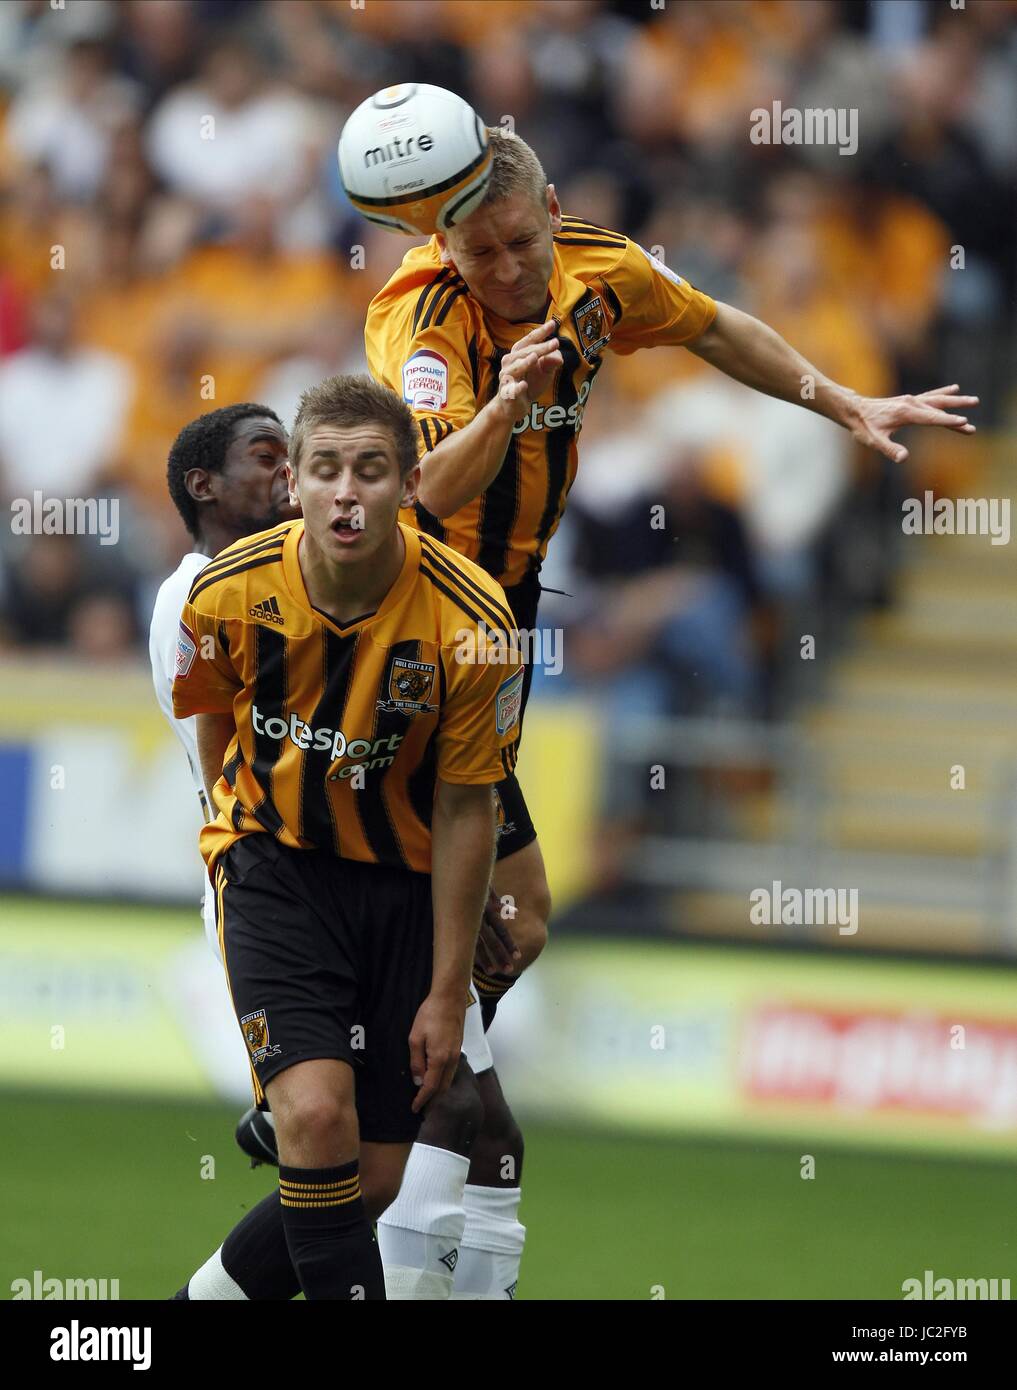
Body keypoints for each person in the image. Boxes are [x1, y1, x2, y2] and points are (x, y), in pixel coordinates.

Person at [363, 124, 979, 1284]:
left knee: (525, 913)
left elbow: (712, 327)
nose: (506, 270)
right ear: (442, 243)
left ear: (553, 204)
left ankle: (383, 1054)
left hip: (506, 615)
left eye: (519, 241)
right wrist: (504, 403)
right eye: (479, 251)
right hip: (422, 612)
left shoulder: (599, 266)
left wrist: (838, 398)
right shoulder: (420, 318)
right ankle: (368, 1061)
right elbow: (415, 495)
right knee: (441, 903)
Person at [169, 375, 522, 1301]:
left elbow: (466, 806)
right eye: (323, 469)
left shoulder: (475, 622)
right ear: (295, 483)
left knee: (374, 1175)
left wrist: (448, 996)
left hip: (400, 888)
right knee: (314, 1117)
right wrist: (234, 841)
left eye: (370, 470)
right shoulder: (227, 594)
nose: (345, 492)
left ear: (410, 485)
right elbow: (212, 722)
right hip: (275, 872)